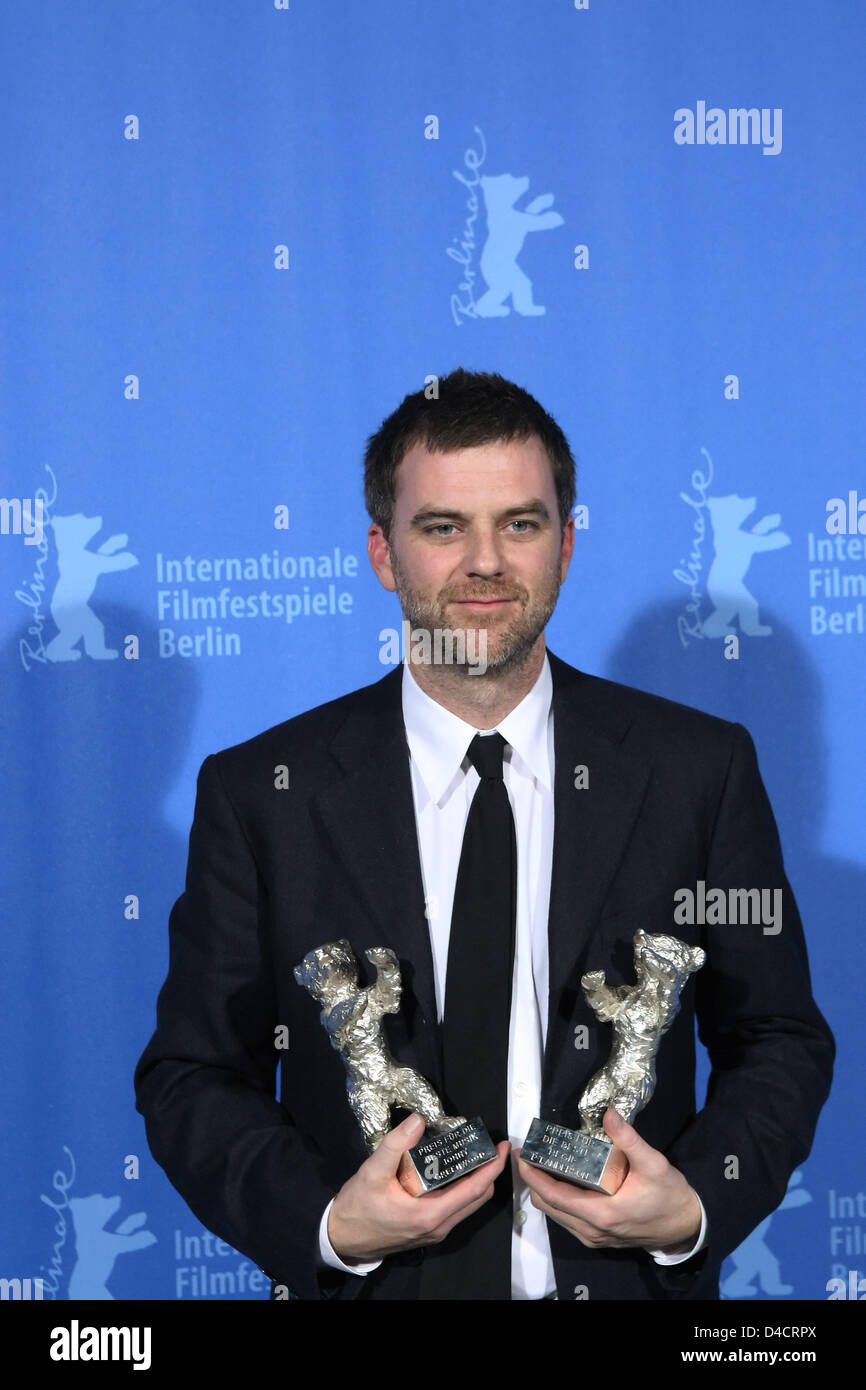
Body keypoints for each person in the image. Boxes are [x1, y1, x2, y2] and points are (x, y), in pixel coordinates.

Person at [134, 368, 835, 1300]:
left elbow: (779, 1038)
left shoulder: (697, 771)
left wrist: (693, 1207)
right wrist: (329, 1223)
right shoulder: (265, 792)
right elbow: (192, 1075)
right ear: (383, 554)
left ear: (567, 545)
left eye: (520, 523)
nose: (487, 563)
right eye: (442, 528)